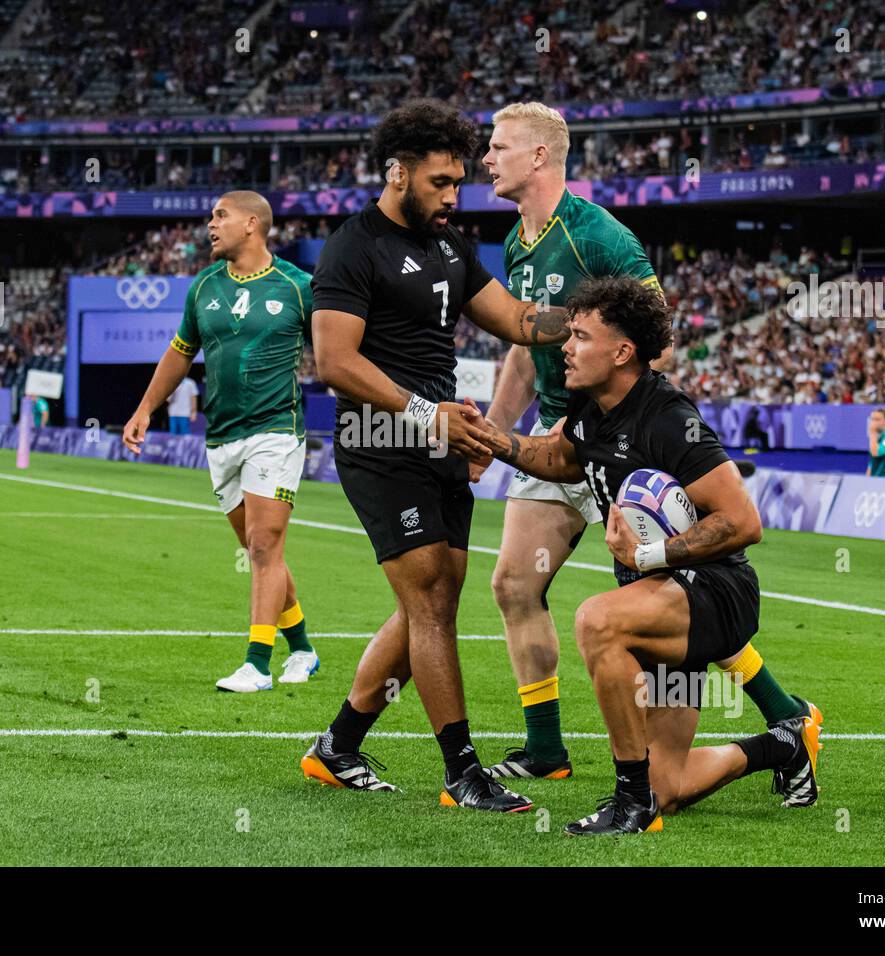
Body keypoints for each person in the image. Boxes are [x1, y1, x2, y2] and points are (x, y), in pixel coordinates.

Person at [477, 276, 822, 835]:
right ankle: (784, 743)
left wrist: (650, 554)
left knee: (596, 620)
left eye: (581, 336)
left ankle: (629, 801)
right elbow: (563, 458)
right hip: (661, 597)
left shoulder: (667, 416)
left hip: (714, 595)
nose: (565, 345)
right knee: (674, 787)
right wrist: (493, 441)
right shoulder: (587, 404)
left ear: (622, 351)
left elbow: (743, 521)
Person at [300, 100, 568, 811]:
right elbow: (333, 360)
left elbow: (515, 320)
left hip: (445, 440)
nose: (452, 196)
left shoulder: (451, 247)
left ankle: (339, 745)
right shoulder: (352, 246)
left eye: (458, 183)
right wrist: (423, 415)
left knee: (433, 602)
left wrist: (598, 313)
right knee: (429, 603)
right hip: (382, 440)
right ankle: (461, 773)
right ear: (398, 172)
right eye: (440, 182)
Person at [477, 101, 662, 780]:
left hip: (615, 445)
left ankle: (785, 716)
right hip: (552, 444)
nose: (486, 159)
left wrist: (588, 418)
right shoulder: (516, 245)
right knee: (514, 584)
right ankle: (547, 749)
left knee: (664, 607)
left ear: (539, 157)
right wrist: (493, 436)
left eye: (498, 148)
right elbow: (525, 354)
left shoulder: (596, 236)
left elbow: (656, 335)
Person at [123, 190, 318, 693]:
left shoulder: (299, 287)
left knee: (263, 543)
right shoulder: (203, 286)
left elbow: (340, 347)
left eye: (220, 215)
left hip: (276, 430)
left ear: (252, 224)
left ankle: (257, 663)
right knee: (259, 552)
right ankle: (303, 649)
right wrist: (146, 408)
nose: (210, 224)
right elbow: (179, 353)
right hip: (221, 437)